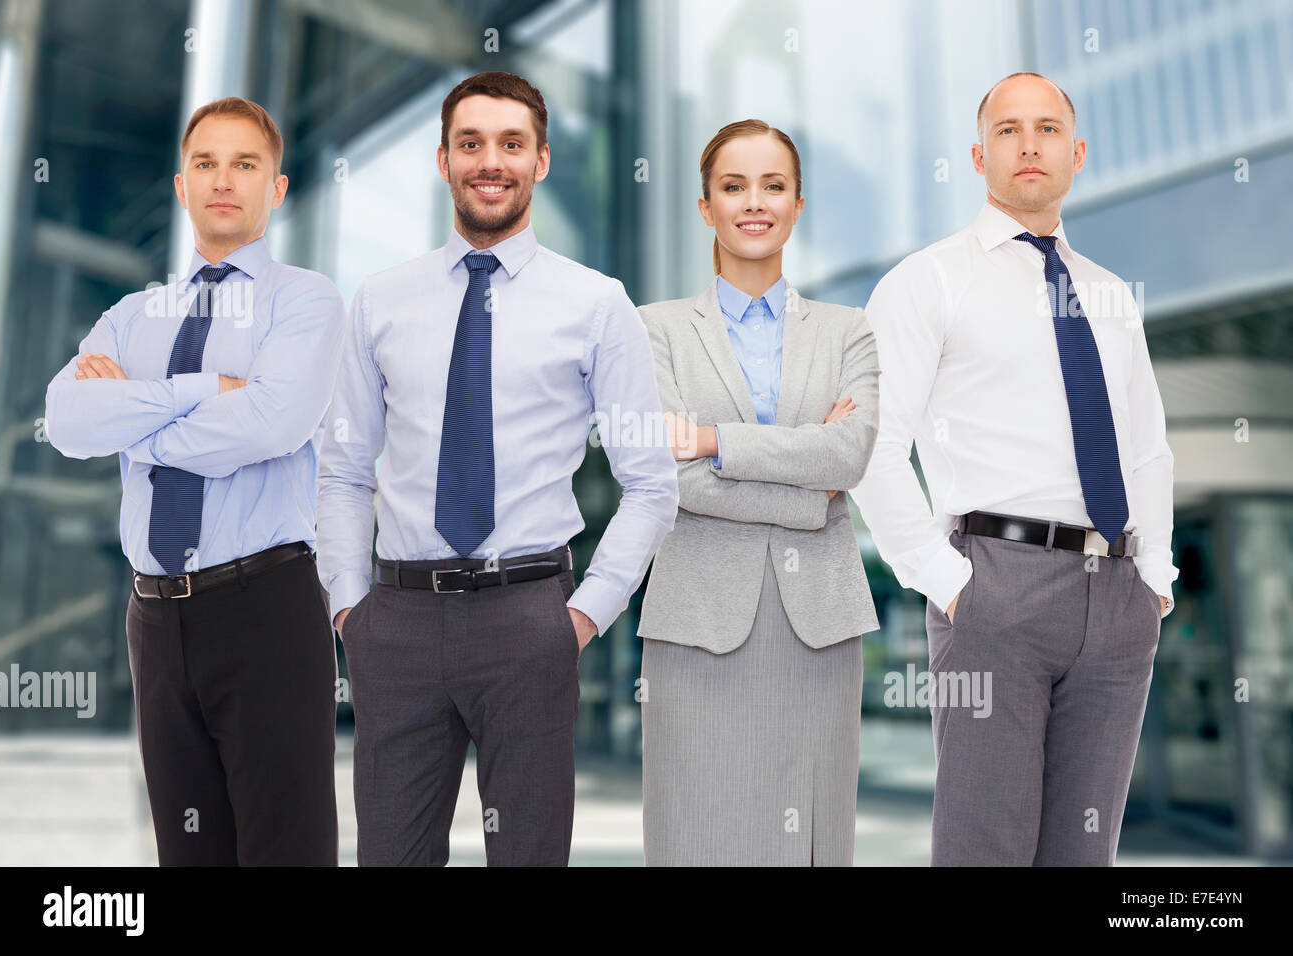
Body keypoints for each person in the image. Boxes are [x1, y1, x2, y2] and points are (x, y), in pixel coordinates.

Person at [316, 71, 678, 867]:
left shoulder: (596, 304)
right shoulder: (380, 301)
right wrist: (350, 610)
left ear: (541, 160)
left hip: (529, 619)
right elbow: (342, 469)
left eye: (511, 144)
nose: (492, 161)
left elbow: (651, 482)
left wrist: (579, 619)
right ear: (442, 159)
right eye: (471, 144)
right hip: (398, 621)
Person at [852, 72, 1178, 866]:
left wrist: (1156, 578)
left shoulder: (1109, 295)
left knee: (1083, 854)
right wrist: (947, 580)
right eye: (1007, 130)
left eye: (1046, 128)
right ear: (978, 154)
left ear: (1077, 152)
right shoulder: (926, 281)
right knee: (985, 849)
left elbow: (1146, 448)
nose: (1029, 143)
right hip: (996, 586)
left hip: (1119, 597)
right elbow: (871, 445)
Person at [44, 97, 344, 865]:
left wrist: (133, 422)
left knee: (284, 852)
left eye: (246, 164)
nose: (223, 181)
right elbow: (71, 424)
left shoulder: (304, 301)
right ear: (181, 187)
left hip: (265, 608)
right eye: (206, 164)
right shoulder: (131, 313)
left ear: (275, 190)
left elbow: (272, 422)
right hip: (153, 618)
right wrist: (203, 391)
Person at [637, 120, 880, 866]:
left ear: (797, 205)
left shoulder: (849, 331)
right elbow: (666, 477)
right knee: (694, 837)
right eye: (733, 186)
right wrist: (814, 493)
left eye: (773, 186)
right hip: (697, 623)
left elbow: (851, 451)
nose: (754, 202)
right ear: (705, 206)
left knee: (809, 841)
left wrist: (715, 442)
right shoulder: (655, 331)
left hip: (818, 628)